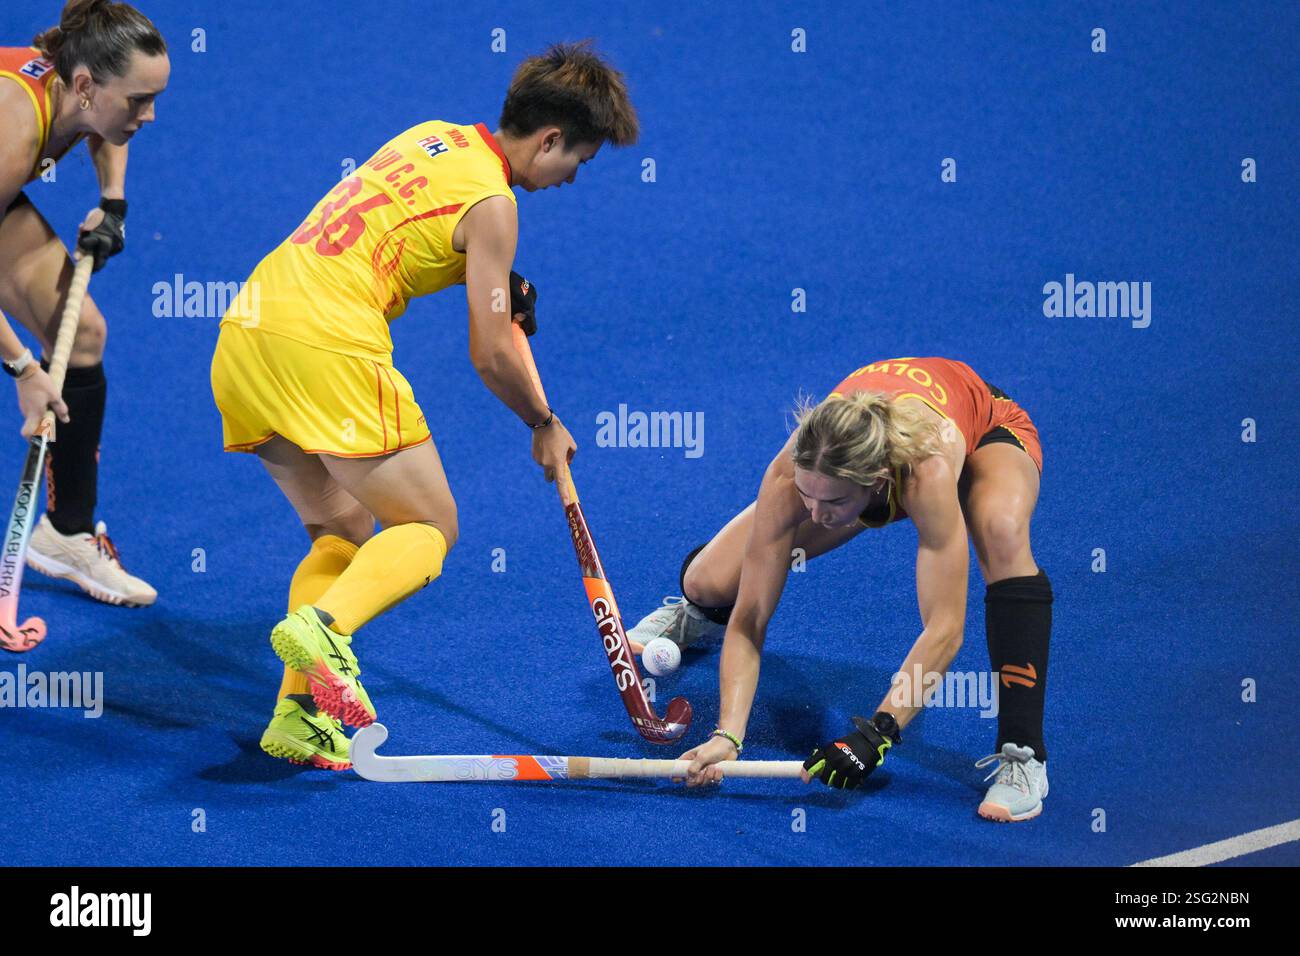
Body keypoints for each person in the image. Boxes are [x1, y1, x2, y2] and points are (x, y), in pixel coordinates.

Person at [210, 42, 638, 770]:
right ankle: (327, 629)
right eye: (579, 162)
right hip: (327, 344)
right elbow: (492, 353)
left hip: (249, 329)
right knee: (430, 524)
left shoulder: (430, 136)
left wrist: (499, 277)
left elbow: (406, 235)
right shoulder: (497, 207)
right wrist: (543, 422)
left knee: (340, 532)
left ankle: (297, 717)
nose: (571, 181)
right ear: (550, 139)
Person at [628, 357, 1053, 821]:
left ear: (877, 484)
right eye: (807, 495)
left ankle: (1023, 755)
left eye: (831, 501)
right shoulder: (794, 471)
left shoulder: (925, 473)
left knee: (1001, 530)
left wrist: (877, 732)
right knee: (707, 582)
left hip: (987, 430)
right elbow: (751, 617)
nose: (813, 512)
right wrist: (726, 736)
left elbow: (945, 628)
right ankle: (700, 618)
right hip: (871, 462)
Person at [0, 0, 167, 607]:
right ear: (85, 85)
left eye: (154, 99)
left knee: (84, 336)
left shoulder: (88, 88)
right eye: (138, 101)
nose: (147, 116)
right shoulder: (12, 132)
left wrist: (113, 201)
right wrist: (22, 368)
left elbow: (107, 123)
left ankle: (65, 534)